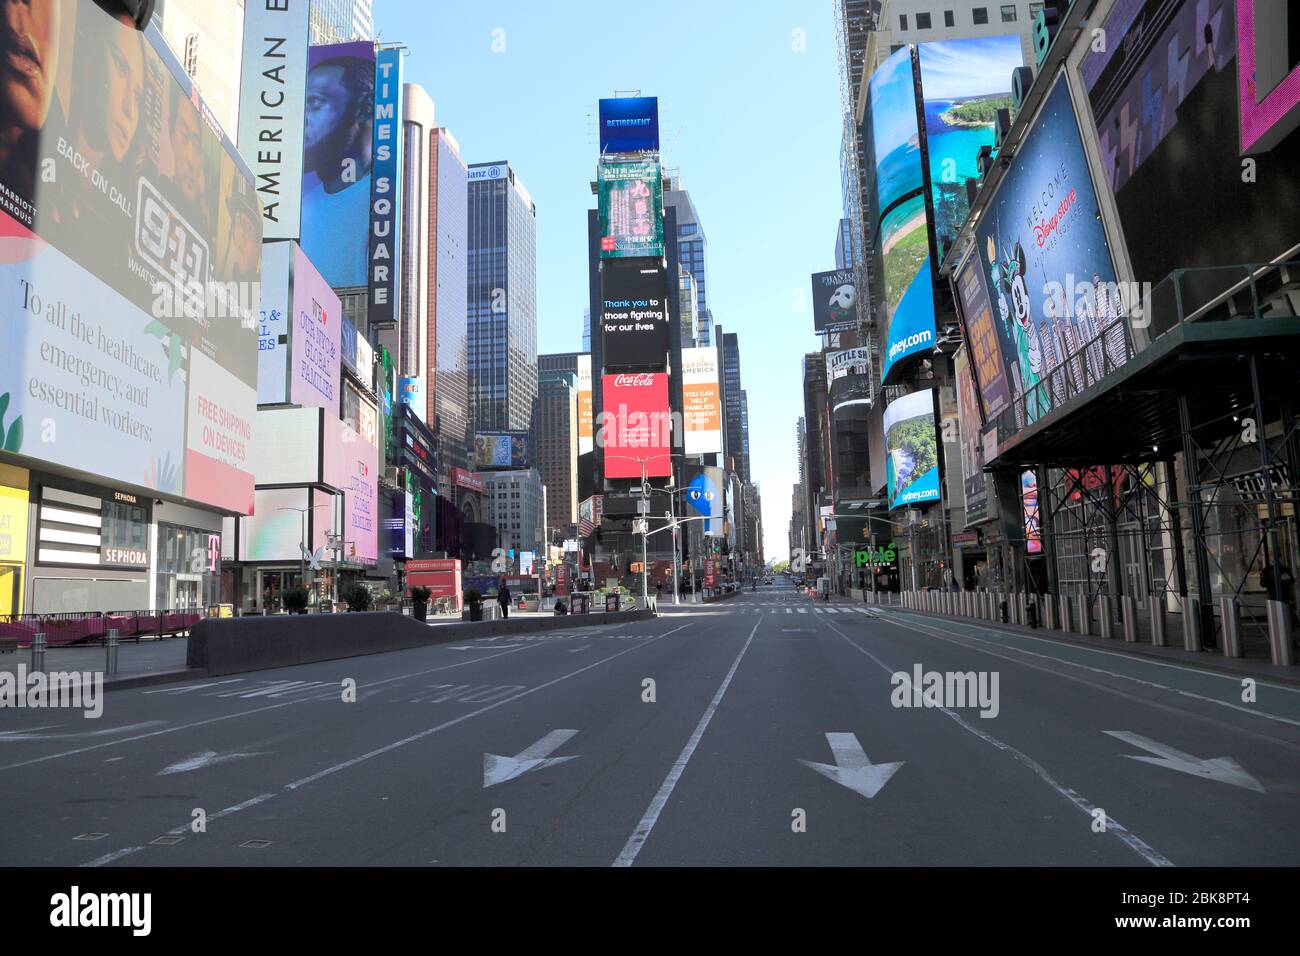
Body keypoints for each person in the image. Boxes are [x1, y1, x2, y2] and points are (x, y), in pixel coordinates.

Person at [1260, 560, 1296, 627]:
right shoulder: (1267, 570)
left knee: (1284, 612)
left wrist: (1286, 579)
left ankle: (1283, 626)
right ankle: (1280, 626)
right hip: (1275, 594)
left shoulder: (1284, 569)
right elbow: (1262, 583)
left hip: (1282, 594)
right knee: (1278, 612)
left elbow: (1292, 580)